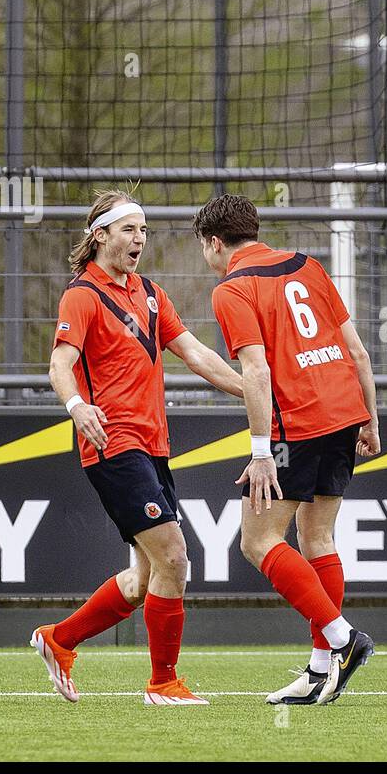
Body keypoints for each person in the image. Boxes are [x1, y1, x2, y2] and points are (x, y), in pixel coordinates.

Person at [32, 190, 244, 706]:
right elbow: (60, 364)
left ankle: (59, 640)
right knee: (174, 556)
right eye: (129, 229)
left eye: (144, 230)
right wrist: (77, 407)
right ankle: (163, 684)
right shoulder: (81, 296)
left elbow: (194, 353)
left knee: (144, 575)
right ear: (100, 234)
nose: (140, 239)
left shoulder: (150, 294)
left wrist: (252, 389)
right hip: (113, 443)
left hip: (153, 446)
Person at [196, 194, 378, 705]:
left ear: (214, 242)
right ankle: (322, 667)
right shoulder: (309, 266)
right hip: (343, 413)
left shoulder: (233, 288)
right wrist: (371, 420)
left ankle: (343, 640)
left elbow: (256, 371)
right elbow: (357, 350)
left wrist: (259, 451)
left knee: (257, 541)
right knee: (317, 539)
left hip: (296, 424)